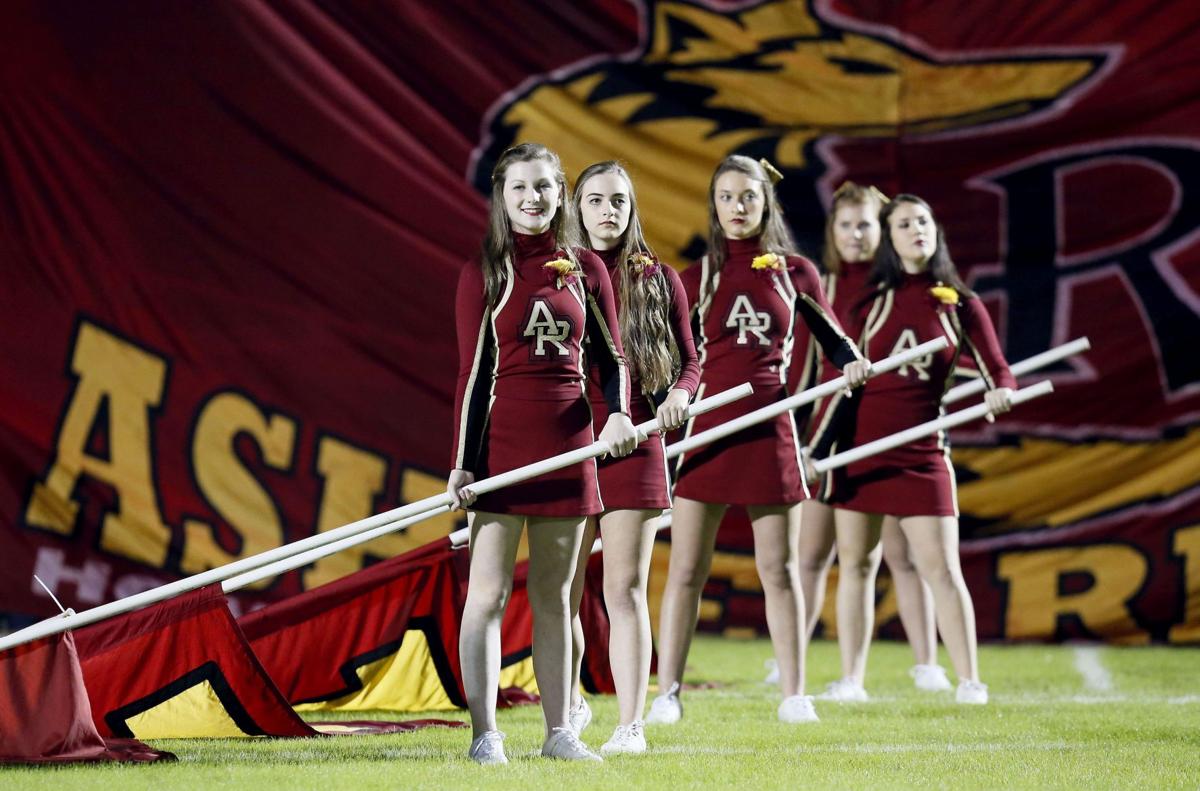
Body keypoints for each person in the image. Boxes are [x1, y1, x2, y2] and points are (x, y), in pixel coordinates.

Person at [648, 155, 870, 725]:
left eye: (748, 196)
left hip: (771, 425)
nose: (737, 207)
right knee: (687, 571)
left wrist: (850, 361)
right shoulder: (696, 277)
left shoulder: (795, 271)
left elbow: (831, 334)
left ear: (765, 202)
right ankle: (667, 692)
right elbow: (677, 357)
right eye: (726, 196)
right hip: (710, 430)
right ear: (713, 204)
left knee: (780, 570)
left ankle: (795, 693)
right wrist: (672, 399)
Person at [447, 143, 639, 764]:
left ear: (561, 195)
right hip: (503, 451)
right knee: (488, 596)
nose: (534, 199)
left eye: (545, 188)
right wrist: (464, 464)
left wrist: (617, 417)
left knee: (557, 599)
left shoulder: (586, 267)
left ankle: (561, 733)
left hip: (570, 448)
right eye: (521, 189)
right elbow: (473, 377)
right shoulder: (487, 269)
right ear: (502, 198)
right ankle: (485, 735)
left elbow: (612, 361)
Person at [814, 194, 1015, 705]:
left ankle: (971, 680)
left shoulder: (958, 302)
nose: (914, 230)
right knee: (857, 565)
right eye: (903, 224)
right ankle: (851, 680)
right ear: (891, 236)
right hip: (861, 451)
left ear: (935, 229)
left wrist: (1000, 390)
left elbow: (998, 367)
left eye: (922, 220)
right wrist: (817, 445)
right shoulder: (870, 302)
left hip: (923, 454)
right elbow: (843, 379)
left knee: (942, 569)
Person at [794, 183, 952, 701]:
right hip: (828, 430)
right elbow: (807, 366)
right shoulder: (820, 284)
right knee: (814, 552)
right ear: (832, 232)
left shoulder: (891, 288)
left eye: (867, 225)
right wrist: (802, 432)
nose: (857, 236)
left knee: (905, 555)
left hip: (886, 429)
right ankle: (792, 655)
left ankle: (927, 662)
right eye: (847, 226)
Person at [564, 161, 702, 754]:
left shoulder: (659, 278)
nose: (608, 211)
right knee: (562, 590)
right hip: (569, 443)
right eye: (595, 200)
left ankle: (630, 725)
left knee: (623, 588)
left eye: (618, 200)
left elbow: (693, 362)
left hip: (636, 444)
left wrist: (677, 395)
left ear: (632, 206)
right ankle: (567, 703)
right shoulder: (558, 275)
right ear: (578, 207)